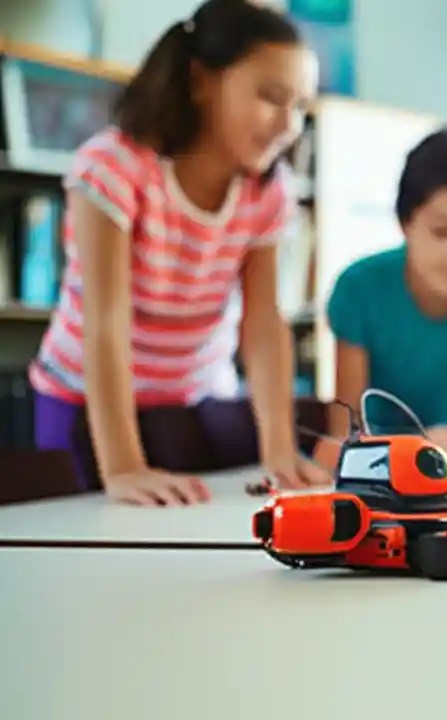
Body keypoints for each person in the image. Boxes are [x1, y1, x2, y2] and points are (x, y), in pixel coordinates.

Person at [28, 0, 324, 506]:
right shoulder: (115, 167)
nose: (288, 125)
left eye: (299, 106)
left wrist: (279, 450)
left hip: (192, 399)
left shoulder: (266, 191)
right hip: (84, 401)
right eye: (271, 97)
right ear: (201, 81)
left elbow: (263, 324)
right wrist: (124, 467)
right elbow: (106, 322)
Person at [325, 127, 447, 479]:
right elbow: (345, 434)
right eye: (441, 231)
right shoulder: (359, 288)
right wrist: (420, 447)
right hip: (377, 465)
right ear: (406, 221)